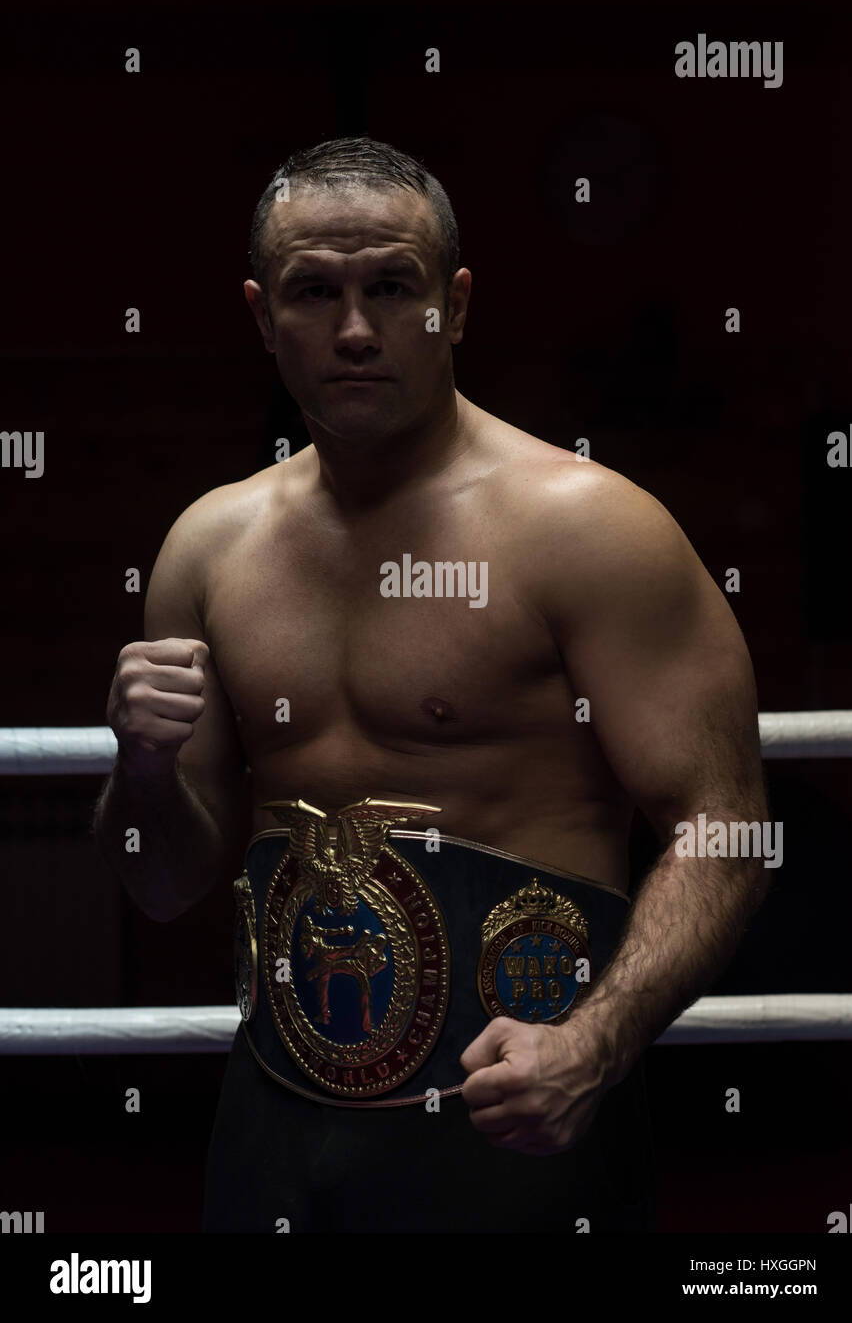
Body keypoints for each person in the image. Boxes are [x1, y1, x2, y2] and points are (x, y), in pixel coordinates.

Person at [93, 136, 771, 1233]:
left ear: (453, 306)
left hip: (520, 1121)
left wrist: (594, 1044)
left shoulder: (591, 530)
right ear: (265, 316)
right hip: (272, 1124)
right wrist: (142, 766)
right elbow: (164, 882)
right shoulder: (206, 549)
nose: (355, 330)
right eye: (316, 292)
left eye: (391, 288)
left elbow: (727, 824)